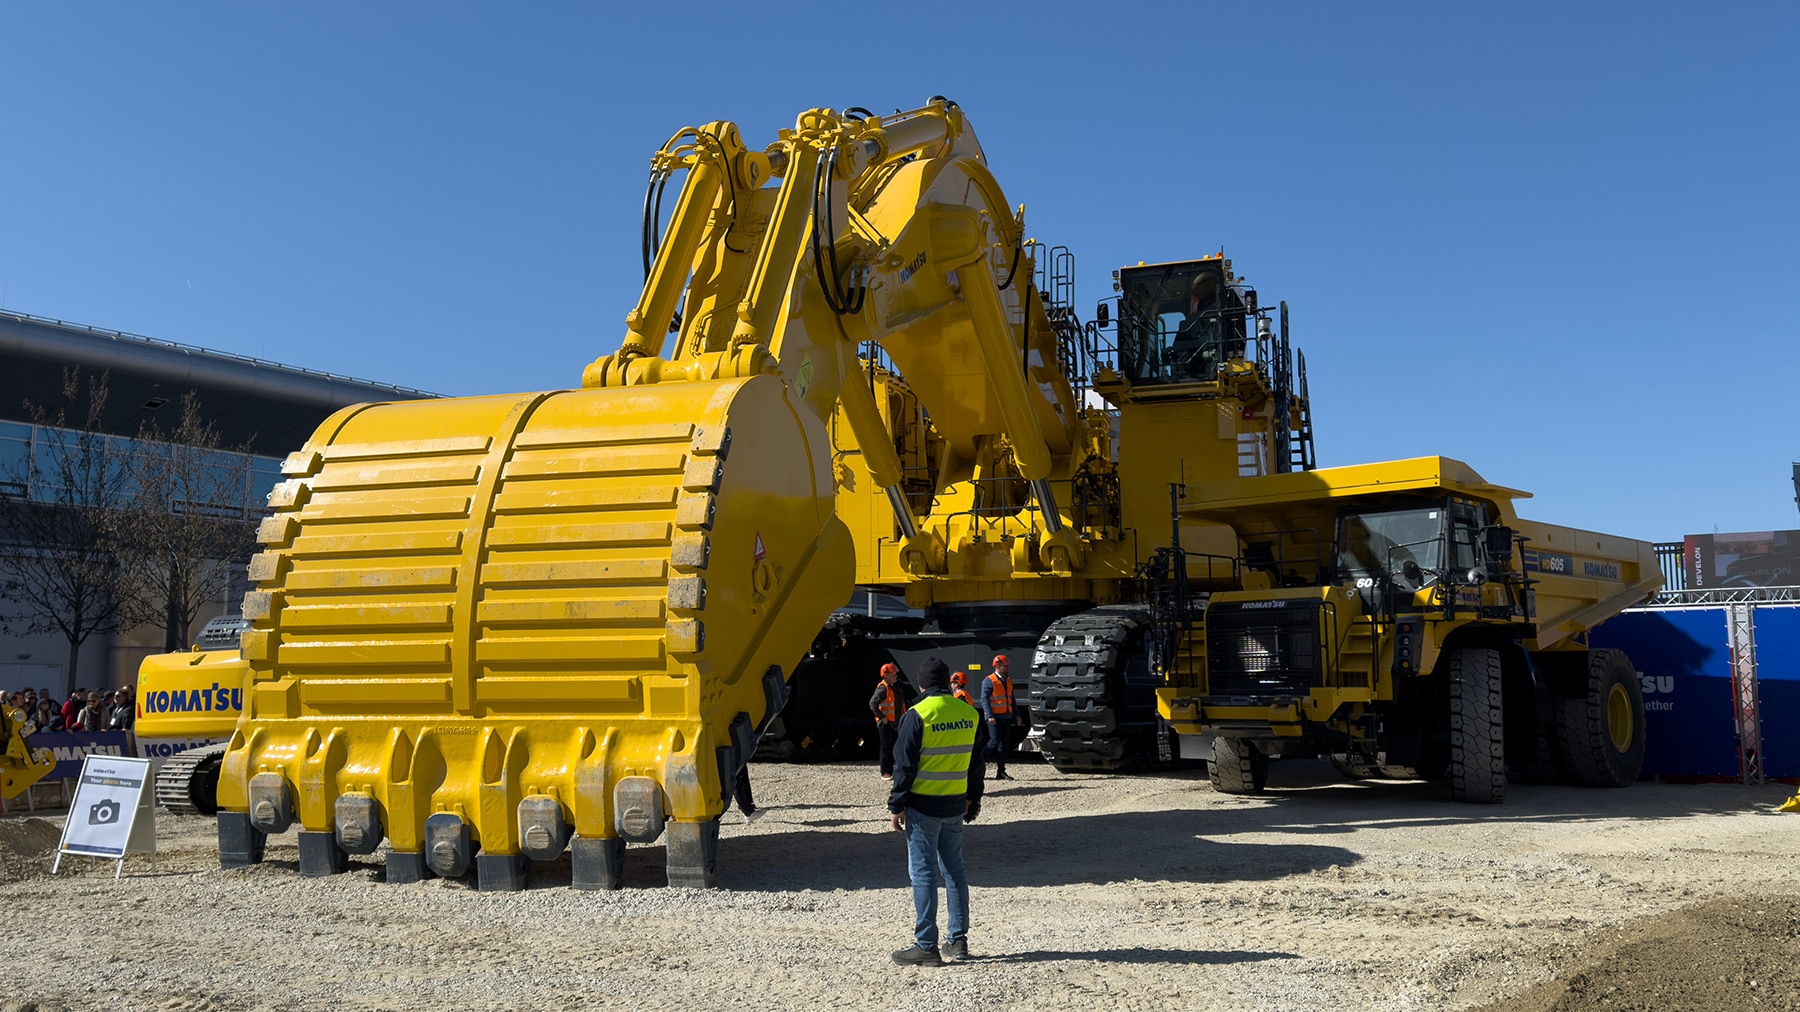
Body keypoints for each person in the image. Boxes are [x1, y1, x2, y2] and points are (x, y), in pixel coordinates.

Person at [888, 656, 987, 966]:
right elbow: (976, 762)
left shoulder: (917, 714)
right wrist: (974, 797)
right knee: (954, 870)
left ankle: (926, 945)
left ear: (921, 685)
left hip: (923, 807)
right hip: (955, 804)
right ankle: (957, 942)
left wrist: (896, 804)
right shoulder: (969, 714)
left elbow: (904, 766)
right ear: (948, 683)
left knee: (924, 874)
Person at [869, 662, 918, 780]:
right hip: (887, 724)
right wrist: (882, 717)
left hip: (895, 723)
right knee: (886, 748)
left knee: (896, 747)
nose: (896, 675)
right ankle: (885, 772)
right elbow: (872, 703)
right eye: (893, 674)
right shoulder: (883, 688)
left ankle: (896, 771)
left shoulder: (894, 687)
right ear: (886, 675)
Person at [980, 654, 1018, 781]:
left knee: (1003, 745)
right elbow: (984, 699)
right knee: (993, 742)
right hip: (994, 717)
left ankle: (1001, 771)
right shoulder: (989, 680)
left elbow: (1012, 699)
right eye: (1005, 666)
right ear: (998, 666)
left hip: (1006, 716)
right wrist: (990, 715)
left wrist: (1017, 715)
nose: (1007, 668)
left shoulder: (1008, 680)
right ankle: (978, 764)